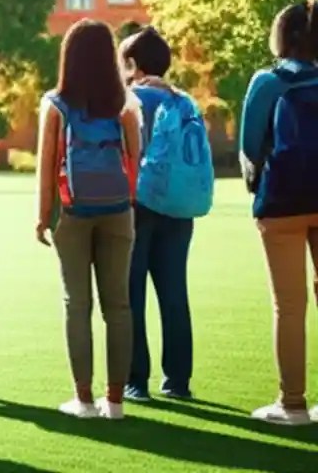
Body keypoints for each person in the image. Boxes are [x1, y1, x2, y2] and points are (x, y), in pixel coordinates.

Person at [36, 19, 141, 420]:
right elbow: (136, 157)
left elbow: (46, 166)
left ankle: (83, 400)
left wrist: (42, 217)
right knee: (119, 306)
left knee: (76, 304)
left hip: (72, 211)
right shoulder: (125, 102)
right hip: (117, 210)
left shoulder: (56, 104)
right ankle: (115, 401)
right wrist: (127, 203)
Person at [239, 1, 318, 426]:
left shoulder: (268, 81)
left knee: (289, 306)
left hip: (282, 203)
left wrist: (257, 187)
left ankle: (292, 404)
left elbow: (251, 148)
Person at [118, 26, 205, 401]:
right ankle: (178, 380)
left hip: (137, 206)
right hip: (178, 204)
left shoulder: (129, 99)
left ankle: (137, 380)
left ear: (133, 64)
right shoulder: (184, 101)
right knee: (173, 292)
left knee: (131, 292)